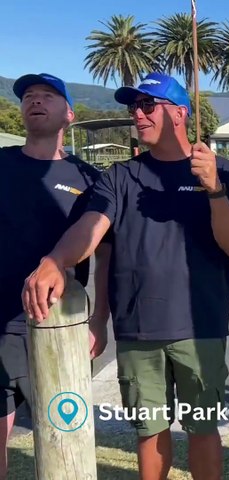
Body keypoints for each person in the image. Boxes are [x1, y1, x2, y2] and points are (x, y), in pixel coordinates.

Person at [22, 72, 229, 480]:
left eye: (148, 105)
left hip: (200, 326)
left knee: (202, 429)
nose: (137, 115)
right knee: (149, 431)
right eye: (133, 108)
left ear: (180, 113)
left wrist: (214, 188)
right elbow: (91, 227)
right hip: (138, 328)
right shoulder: (119, 176)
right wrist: (56, 259)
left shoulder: (223, 172)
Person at [0, 73, 111, 480]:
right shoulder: (2, 164)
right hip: (2, 326)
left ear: (69, 113)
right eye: (29, 96)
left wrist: (98, 320)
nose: (35, 101)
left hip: (59, 330)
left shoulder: (91, 181)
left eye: (47, 96)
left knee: (65, 442)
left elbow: (106, 256)